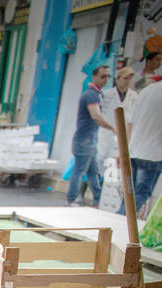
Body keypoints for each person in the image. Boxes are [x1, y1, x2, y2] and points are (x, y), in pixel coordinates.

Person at [66, 65, 116, 206]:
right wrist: (113, 128)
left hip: (90, 140)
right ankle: (70, 200)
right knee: (79, 171)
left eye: (108, 76)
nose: (106, 79)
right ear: (94, 77)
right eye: (102, 76)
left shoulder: (98, 94)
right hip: (84, 140)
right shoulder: (91, 95)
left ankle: (98, 198)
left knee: (93, 171)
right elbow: (96, 116)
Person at [123, 77, 162, 215]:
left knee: (129, 195)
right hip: (153, 154)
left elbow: (130, 122)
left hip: (133, 151)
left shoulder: (147, 90)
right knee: (141, 193)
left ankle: (118, 221)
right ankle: (119, 220)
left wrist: (124, 149)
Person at [100, 66, 138, 167]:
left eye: (130, 79)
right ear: (117, 79)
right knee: (100, 164)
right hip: (106, 135)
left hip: (123, 134)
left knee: (115, 170)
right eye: (125, 78)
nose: (127, 81)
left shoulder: (134, 97)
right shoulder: (106, 94)